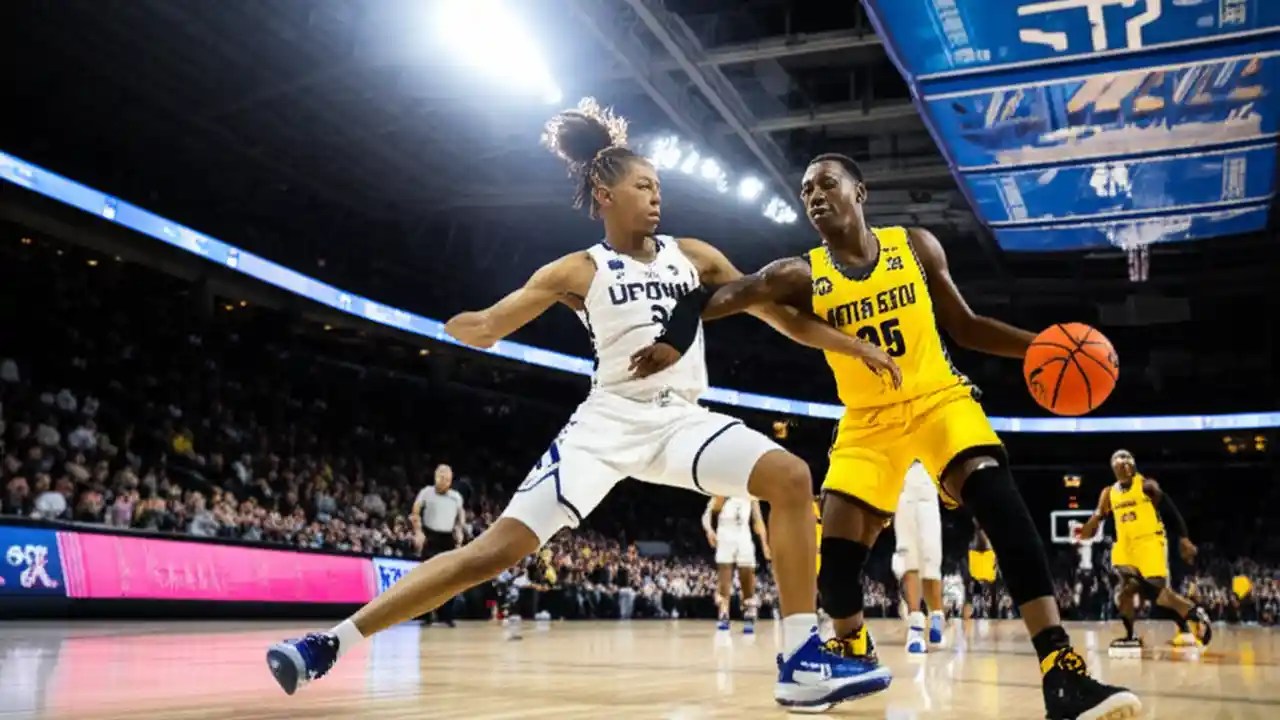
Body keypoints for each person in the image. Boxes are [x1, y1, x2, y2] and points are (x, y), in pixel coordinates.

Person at [265, 99, 902, 712]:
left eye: (658, 187)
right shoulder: (577, 270)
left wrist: (851, 344)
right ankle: (330, 643)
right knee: (493, 552)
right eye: (644, 186)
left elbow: (778, 315)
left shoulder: (695, 256)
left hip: (681, 419)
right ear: (606, 195)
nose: (657, 197)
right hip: (607, 425)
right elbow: (488, 325)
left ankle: (799, 661)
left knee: (790, 476)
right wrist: (443, 321)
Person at [636, 153, 1143, 719]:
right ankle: (852, 649)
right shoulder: (798, 275)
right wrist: (669, 328)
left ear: (860, 191)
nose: (815, 195)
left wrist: (1044, 346)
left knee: (997, 499)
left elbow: (965, 327)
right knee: (836, 572)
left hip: (938, 400)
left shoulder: (915, 247)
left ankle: (1061, 669)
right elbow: (716, 299)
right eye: (806, 190)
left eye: (827, 183)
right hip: (867, 422)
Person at [1075, 450, 1211, 653]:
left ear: (1133, 466)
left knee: (1158, 594)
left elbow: (1170, 511)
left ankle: (1194, 613)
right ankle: (1130, 636)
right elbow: (1097, 518)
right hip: (1125, 546)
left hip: (1150, 542)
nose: (1125, 469)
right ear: (1114, 469)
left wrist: (1183, 538)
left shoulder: (1147, 486)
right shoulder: (1108, 493)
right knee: (1125, 591)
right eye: (1120, 466)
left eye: (1128, 465)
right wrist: (1087, 528)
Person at [890, 461, 945, 654]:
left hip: (928, 480)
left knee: (930, 554)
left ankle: (936, 614)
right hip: (901, 481)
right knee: (908, 555)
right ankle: (915, 627)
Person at [702, 495, 770, 633]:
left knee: (747, 576)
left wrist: (765, 544)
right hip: (724, 536)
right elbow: (706, 515)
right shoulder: (722, 491)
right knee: (724, 579)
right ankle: (723, 613)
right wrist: (709, 531)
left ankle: (749, 613)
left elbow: (758, 520)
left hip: (743, 535)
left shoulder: (750, 493)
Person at [411, 464, 466, 627]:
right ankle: (426, 615)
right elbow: (415, 513)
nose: (444, 481)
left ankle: (446, 615)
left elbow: (460, 516)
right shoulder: (426, 492)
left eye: (447, 479)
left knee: (449, 578)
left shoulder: (456, 497)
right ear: (435, 477)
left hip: (447, 538)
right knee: (427, 578)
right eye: (441, 477)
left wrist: (459, 530)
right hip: (430, 536)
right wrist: (418, 532)